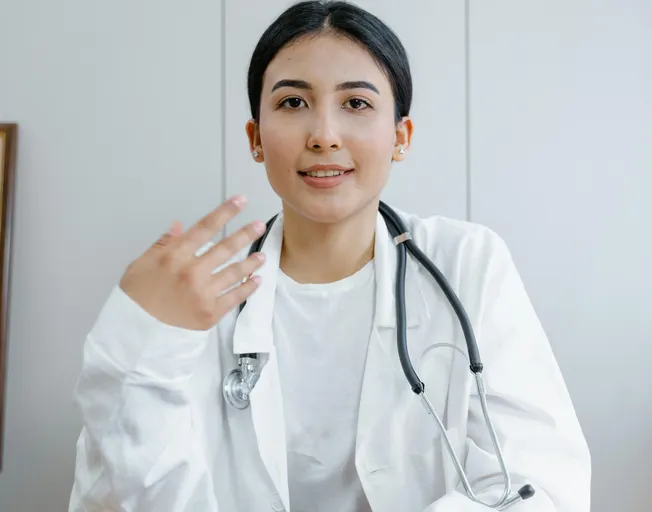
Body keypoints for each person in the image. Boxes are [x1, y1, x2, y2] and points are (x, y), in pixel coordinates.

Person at [68, 1, 591, 511]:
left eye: (357, 104)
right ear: (255, 138)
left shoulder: (468, 264)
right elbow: (114, 497)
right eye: (293, 103)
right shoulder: (196, 290)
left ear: (399, 137)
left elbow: (540, 484)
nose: (323, 136)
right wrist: (141, 342)